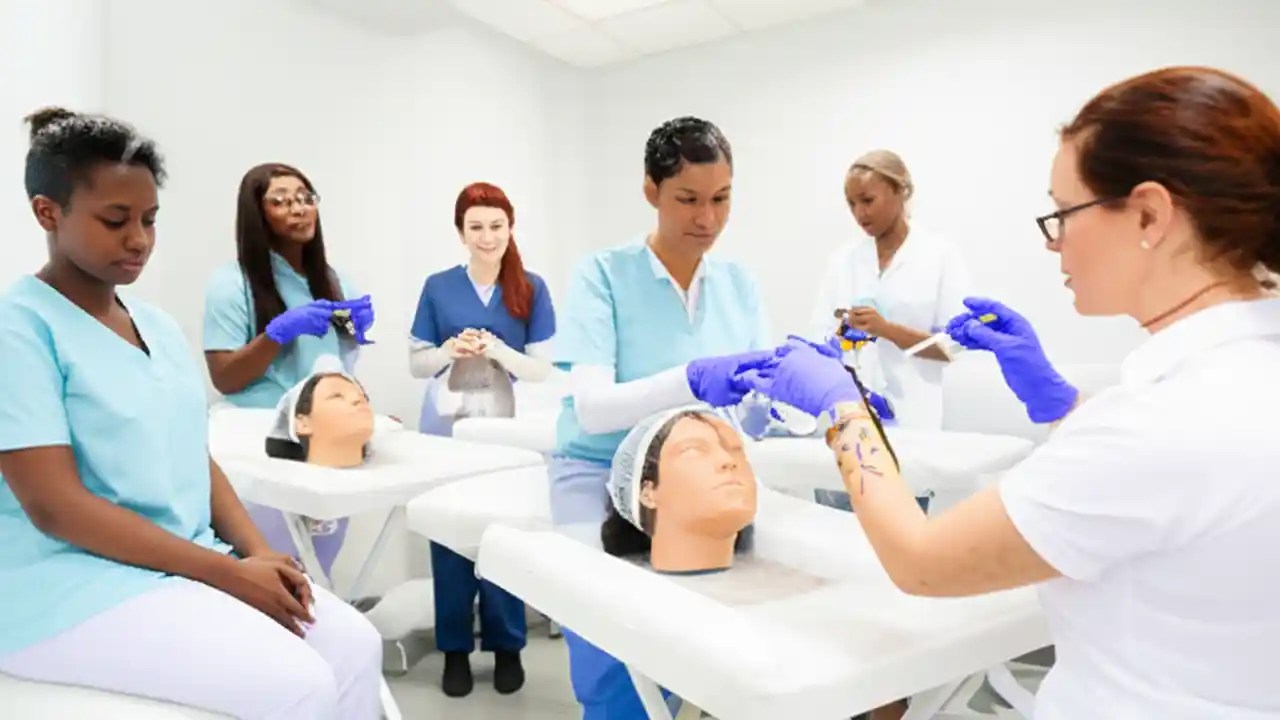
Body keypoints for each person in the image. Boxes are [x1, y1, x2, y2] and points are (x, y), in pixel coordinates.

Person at [740, 66, 1280, 719]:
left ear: (1148, 213)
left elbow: (922, 562)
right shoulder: (1232, 376)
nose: (1052, 242)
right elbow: (1161, 482)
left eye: (1062, 213)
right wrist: (1060, 403)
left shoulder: (1169, 417)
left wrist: (841, 408)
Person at [0, 108, 382, 718]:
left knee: (358, 645)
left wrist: (257, 554)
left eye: (150, 219)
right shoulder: (18, 327)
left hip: (181, 560)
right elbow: (54, 506)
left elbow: (193, 461)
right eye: (115, 220)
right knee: (298, 682)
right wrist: (222, 573)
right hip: (69, 585)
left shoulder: (154, 325)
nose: (139, 239)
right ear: (48, 213)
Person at [550, 116, 776, 719]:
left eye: (722, 199)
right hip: (597, 473)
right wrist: (690, 380)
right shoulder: (601, 275)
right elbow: (594, 411)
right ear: (651, 191)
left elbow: (748, 415)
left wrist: (795, 400)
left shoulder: (737, 284)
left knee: (704, 640)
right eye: (689, 200)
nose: (707, 219)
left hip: (692, 476)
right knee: (608, 645)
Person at [408, 181, 556, 698]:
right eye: (476, 227)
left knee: (502, 538)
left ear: (510, 228)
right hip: (447, 430)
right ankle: (454, 651)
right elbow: (415, 363)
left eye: (496, 226)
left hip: (504, 432)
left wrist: (498, 351)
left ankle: (507, 646)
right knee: (449, 541)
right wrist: (450, 348)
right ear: (460, 232)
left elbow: (540, 370)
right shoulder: (438, 286)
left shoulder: (530, 288)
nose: (487, 237)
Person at [203, 162, 374, 580]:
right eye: (280, 201)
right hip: (260, 440)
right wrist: (277, 334)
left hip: (323, 443)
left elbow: (336, 367)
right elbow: (224, 376)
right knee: (281, 569)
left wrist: (356, 334)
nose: (298, 208)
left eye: (305, 198)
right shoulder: (232, 283)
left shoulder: (332, 280)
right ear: (257, 215)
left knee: (320, 568)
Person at [809, 150, 971, 430]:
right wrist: (842, 334)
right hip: (854, 417)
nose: (860, 213)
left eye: (868, 200)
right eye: (852, 204)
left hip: (918, 419)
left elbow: (953, 348)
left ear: (900, 190)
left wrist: (887, 330)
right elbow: (819, 340)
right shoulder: (843, 261)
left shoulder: (939, 255)